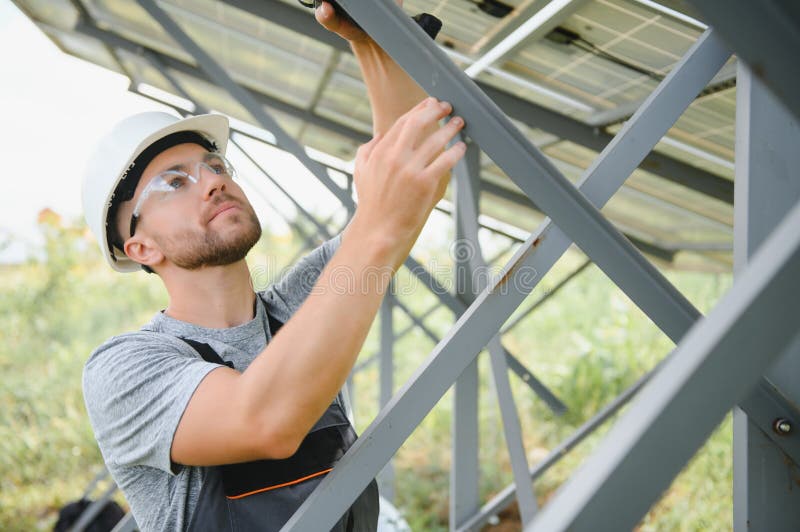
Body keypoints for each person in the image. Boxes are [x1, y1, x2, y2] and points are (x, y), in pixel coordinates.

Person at [80, 2, 466, 531]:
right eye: (174, 182)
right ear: (139, 247)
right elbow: (265, 421)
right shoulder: (126, 368)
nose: (213, 180)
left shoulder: (296, 308)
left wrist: (373, 42)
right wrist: (376, 223)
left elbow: (410, 194)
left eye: (214, 165)